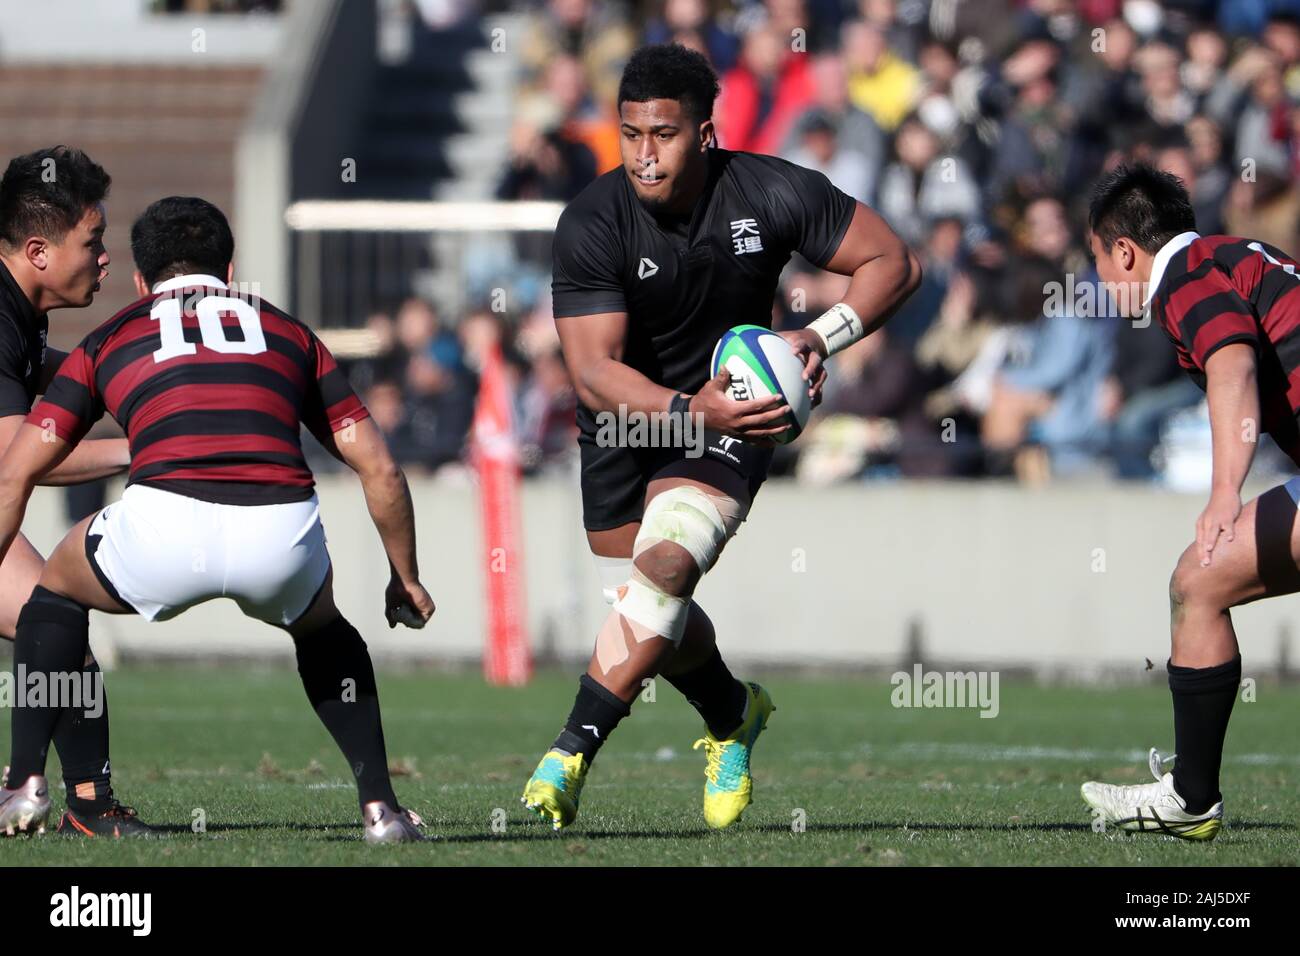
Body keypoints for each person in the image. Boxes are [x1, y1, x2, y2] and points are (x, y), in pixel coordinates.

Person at [522, 43, 920, 831]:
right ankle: (733, 712)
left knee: (667, 566)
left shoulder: (772, 190)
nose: (642, 154)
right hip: (629, 419)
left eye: (662, 135)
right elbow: (594, 371)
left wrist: (820, 337)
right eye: (630, 133)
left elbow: (891, 261)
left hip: (738, 416)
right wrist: (684, 409)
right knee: (650, 595)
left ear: (704, 134)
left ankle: (570, 750)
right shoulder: (592, 220)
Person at [0, 196, 435, 842]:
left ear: (143, 283)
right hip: (280, 537)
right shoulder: (291, 334)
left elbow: (17, 468)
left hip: (162, 530)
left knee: (54, 594)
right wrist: (406, 576)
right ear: (230, 271)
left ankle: (24, 785)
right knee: (327, 633)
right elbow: (380, 469)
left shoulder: (112, 337)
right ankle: (381, 810)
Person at [1082, 162, 1300, 840]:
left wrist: (1223, 494)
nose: (1100, 282)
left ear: (1125, 251)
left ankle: (1192, 800)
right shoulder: (1236, 257)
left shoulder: (1188, 274)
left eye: (1098, 262)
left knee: (1198, 580)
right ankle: (1191, 797)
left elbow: (1231, 365)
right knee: (1199, 582)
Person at [0, 146, 141, 836]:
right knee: (53, 618)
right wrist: (146, 450)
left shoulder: (18, 313)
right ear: (38, 251)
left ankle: (89, 807)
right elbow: (14, 462)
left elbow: (74, 381)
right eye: (94, 242)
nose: (105, 258)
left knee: (53, 620)